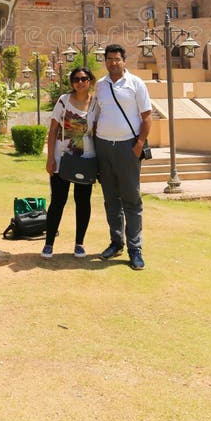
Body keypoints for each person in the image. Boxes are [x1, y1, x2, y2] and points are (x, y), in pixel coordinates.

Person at [94, 44, 152, 270]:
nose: (113, 63)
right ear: (105, 61)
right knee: (111, 199)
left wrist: (139, 144)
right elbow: (96, 116)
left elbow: (146, 116)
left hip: (128, 147)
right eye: (109, 59)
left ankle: (135, 249)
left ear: (124, 61)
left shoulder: (135, 83)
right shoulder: (101, 85)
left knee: (131, 199)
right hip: (104, 146)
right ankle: (116, 242)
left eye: (117, 59)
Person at [41, 67, 97, 260]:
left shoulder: (96, 103)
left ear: (90, 80)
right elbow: (53, 130)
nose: (80, 82)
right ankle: (49, 243)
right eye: (76, 79)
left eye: (84, 78)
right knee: (58, 201)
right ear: (71, 82)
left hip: (86, 158)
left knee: (83, 202)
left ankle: (79, 244)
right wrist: (50, 158)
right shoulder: (64, 101)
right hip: (62, 158)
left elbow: (98, 131)